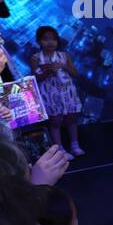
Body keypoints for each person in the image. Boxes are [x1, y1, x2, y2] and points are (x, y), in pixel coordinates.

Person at [32, 25, 85, 158]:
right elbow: (37, 78)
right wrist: (50, 70)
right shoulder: (36, 58)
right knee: (55, 121)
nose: (50, 42)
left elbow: (75, 74)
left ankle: (75, 145)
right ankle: (60, 149)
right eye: (45, 39)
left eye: (53, 39)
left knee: (72, 118)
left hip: (67, 91)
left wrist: (64, 66)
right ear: (39, 41)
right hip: (50, 93)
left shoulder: (64, 55)